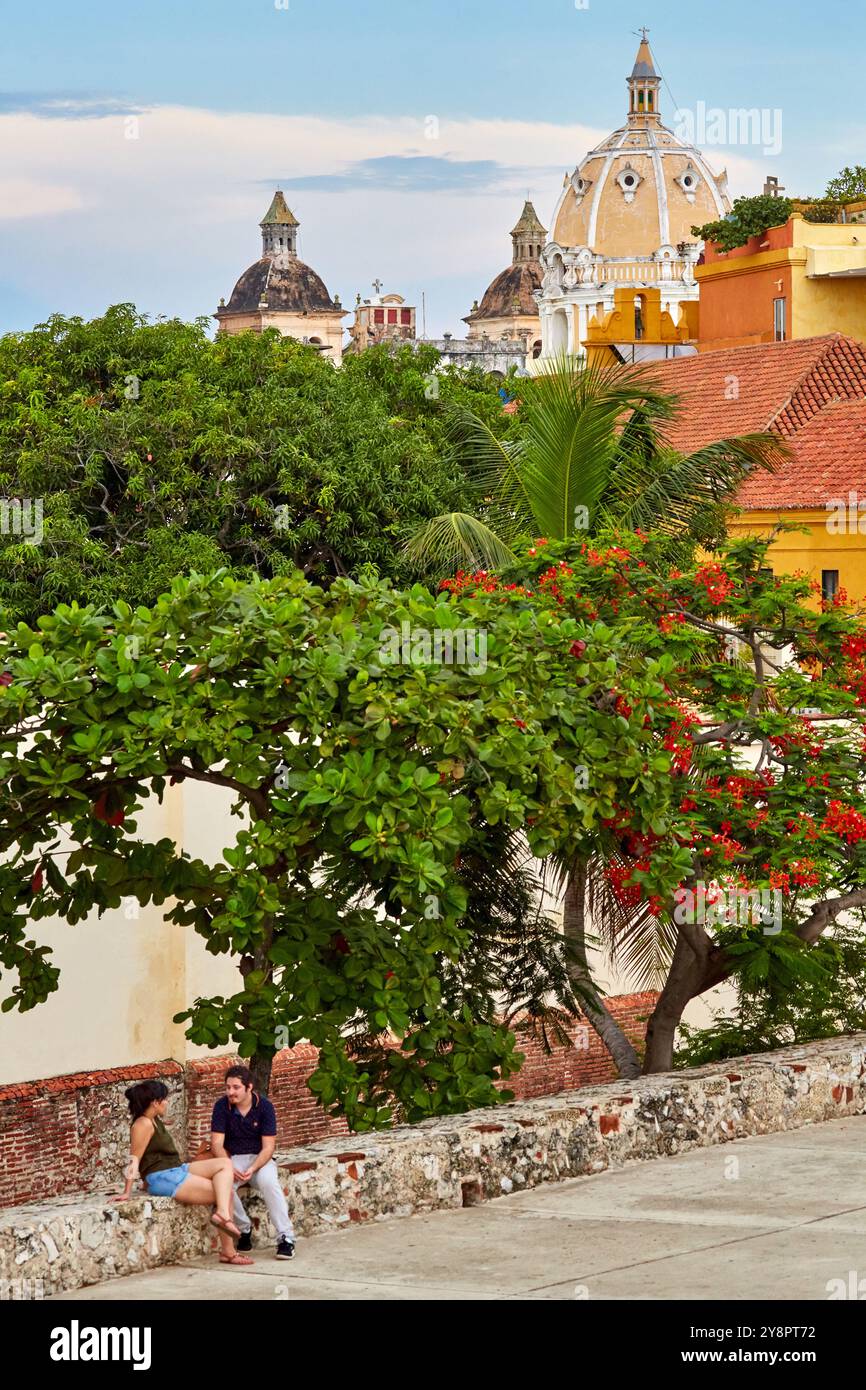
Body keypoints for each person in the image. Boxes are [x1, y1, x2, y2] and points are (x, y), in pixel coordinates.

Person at [112, 1079, 254, 1267]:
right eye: (165, 1099)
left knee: (224, 1164)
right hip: (163, 1177)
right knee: (225, 1192)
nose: (167, 1103)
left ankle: (222, 1214)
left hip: (176, 1169)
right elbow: (135, 1158)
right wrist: (127, 1191)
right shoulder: (143, 1124)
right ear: (155, 1102)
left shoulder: (154, 1120)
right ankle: (228, 1251)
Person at [210, 1065, 295, 1259]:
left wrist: (253, 1168)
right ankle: (243, 1229)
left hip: (260, 1159)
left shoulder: (264, 1106)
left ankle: (286, 1238)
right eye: (227, 1087)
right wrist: (228, 1166)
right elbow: (216, 1144)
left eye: (236, 1087)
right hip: (233, 1158)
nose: (230, 1092)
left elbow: (268, 1147)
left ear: (249, 1087)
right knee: (224, 1185)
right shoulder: (222, 1106)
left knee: (269, 1182)